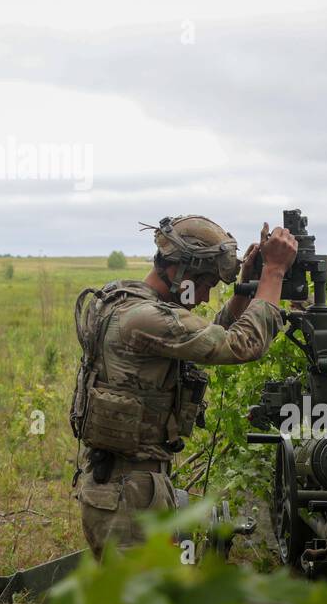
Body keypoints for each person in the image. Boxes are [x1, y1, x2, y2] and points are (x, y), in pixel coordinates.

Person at [70, 215, 298, 557]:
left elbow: (200, 337)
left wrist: (244, 291)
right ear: (179, 272)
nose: (204, 298)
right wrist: (274, 274)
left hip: (128, 488)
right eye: (204, 284)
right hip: (128, 496)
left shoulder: (131, 303)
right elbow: (241, 344)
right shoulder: (145, 318)